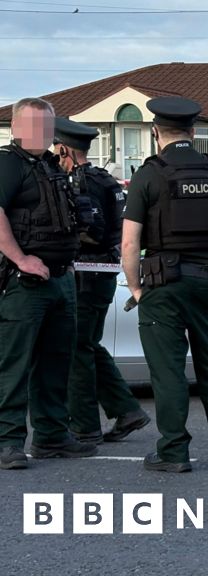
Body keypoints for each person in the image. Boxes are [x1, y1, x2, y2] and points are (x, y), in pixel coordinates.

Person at [122, 97, 208, 473]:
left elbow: (130, 243)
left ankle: (173, 452)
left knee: (168, 371)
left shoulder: (149, 175)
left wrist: (136, 289)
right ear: (193, 132)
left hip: (162, 287)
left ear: (156, 132)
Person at [0, 98, 97, 470]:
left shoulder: (49, 165)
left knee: (56, 362)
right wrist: (21, 259)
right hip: (23, 284)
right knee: (14, 365)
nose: (41, 133)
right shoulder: (8, 164)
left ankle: (52, 436)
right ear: (16, 127)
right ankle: (7, 441)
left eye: (46, 125)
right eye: (34, 125)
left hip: (60, 278)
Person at [54, 118, 151, 446]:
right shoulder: (105, 178)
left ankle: (84, 426)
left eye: (57, 149)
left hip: (86, 275)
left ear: (65, 149)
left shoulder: (81, 181)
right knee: (89, 344)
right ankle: (126, 410)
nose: (56, 154)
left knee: (77, 348)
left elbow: (91, 231)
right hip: (102, 274)